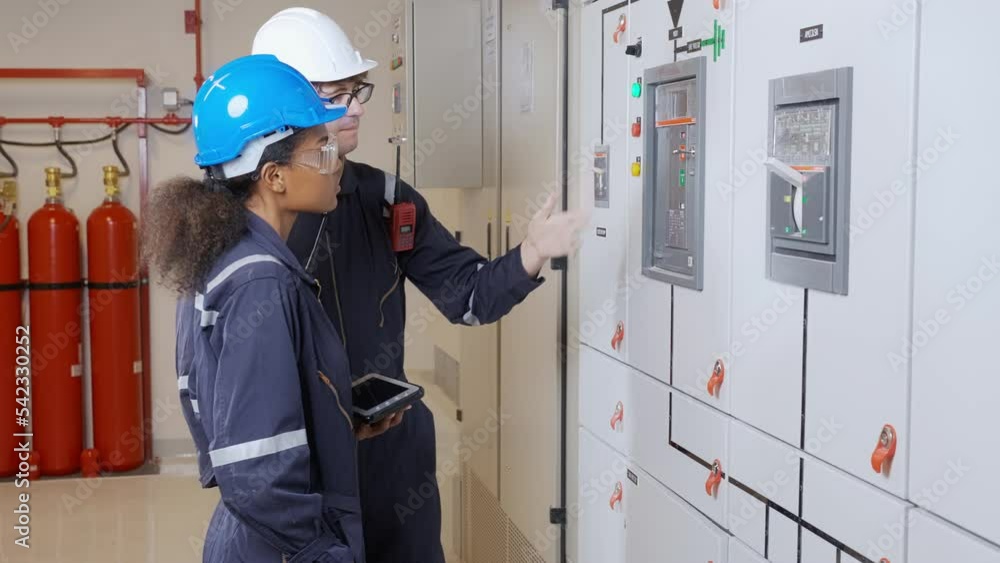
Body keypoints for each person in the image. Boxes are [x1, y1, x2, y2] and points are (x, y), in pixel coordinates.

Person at [253, 8, 587, 563]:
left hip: (391, 460)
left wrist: (531, 254)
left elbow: (469, 297)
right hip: (302, 469)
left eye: (357, 89)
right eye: (338, 94)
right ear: (285, 108)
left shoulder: (388, 201)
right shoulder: (246, 222)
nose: (358, 106)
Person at [142, 54, 386, 562]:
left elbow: (217, 410)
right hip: (282, 546)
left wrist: (337, 422)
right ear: (274, 175)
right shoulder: (261, 282)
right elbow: (257, 475)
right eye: (321, 150)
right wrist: (326, 555)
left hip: (253, 536)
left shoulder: (222, 255)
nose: (335, 161)